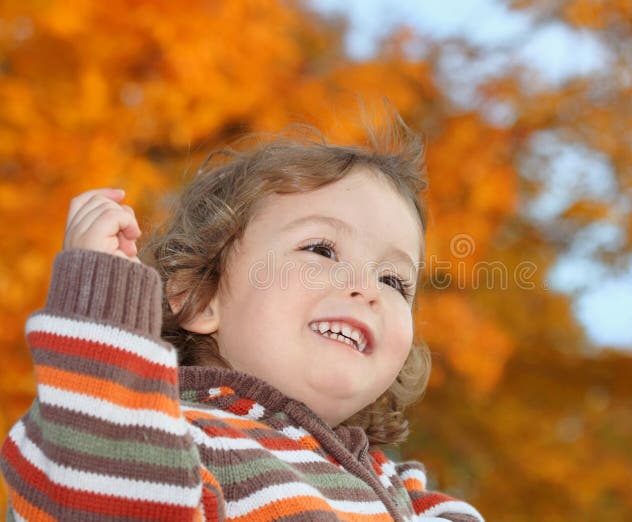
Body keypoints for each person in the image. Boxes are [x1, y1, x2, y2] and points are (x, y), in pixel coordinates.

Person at [0, 114, 485, 521]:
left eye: (395, 281)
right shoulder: (177, 444)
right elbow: (90, 495)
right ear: (201, 297)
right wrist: (103, 318)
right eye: (321, 248)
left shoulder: (415, 499)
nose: (366, 289)